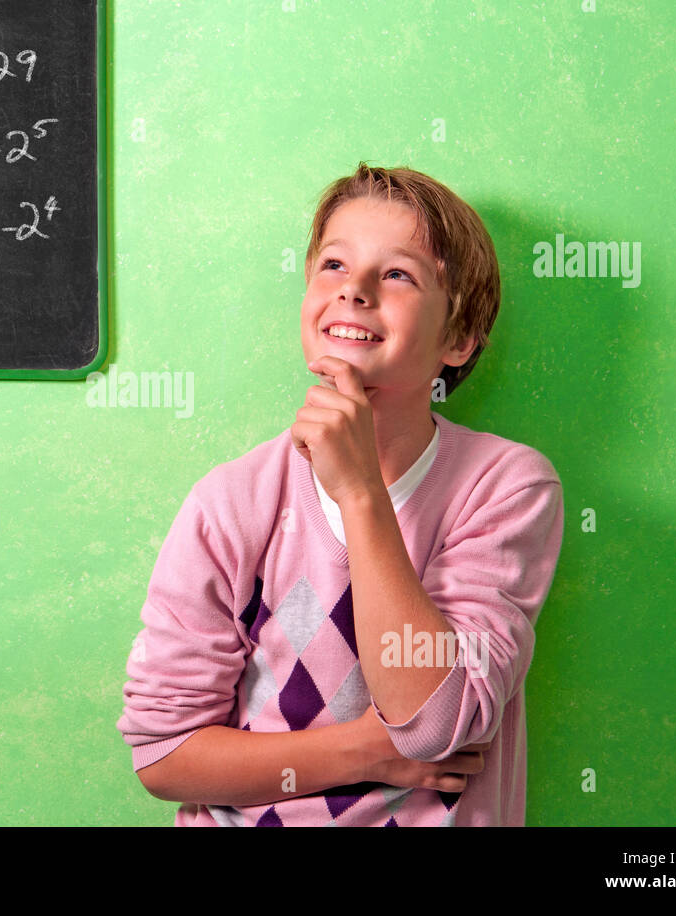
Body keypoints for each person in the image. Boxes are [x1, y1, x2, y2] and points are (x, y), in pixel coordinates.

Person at [116, 163, 565, 825]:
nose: (353, 290)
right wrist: (367, 752)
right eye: (333, 264)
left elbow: (435, 725)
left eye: (398, 274)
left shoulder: (504, 488)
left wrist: (360, 492)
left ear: (458, 337)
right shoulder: (231, 501)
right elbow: (164, 754)